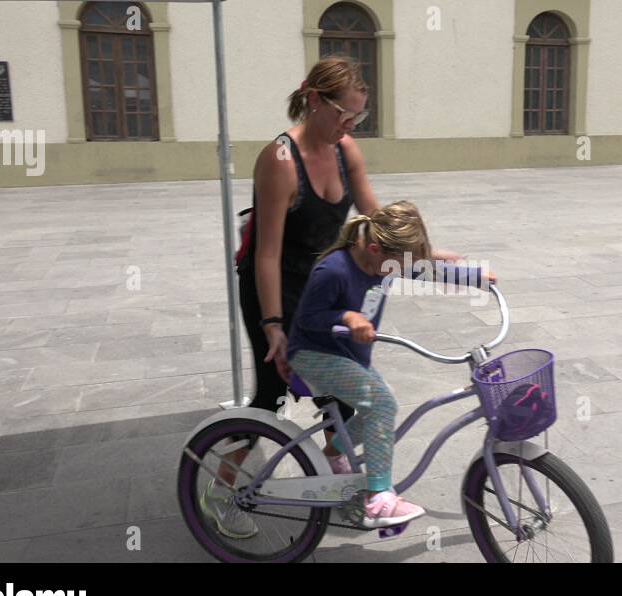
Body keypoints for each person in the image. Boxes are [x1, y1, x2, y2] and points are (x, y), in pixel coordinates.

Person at [200, 57, 470, 539]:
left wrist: (427, 255)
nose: (351, 125)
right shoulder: (279, 161)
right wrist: (274, 326)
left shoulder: (346, 150)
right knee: (271, 392)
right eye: (346, 114)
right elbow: (266, 254)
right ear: (315, 101)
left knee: (343, 396)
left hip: (326, 282)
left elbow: (373, 216)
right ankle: (222, 492)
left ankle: (342, 487)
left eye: (358, 117)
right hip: (274, 284)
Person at [287, 201, 487, 528]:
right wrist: (347, 316)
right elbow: (307, 318)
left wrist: (475, 276)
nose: (399, 272)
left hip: (348, 355)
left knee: (378, 405)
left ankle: (333, 457)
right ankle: (379, 498)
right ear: (376, 248)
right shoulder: (334, 270)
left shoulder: (384, 262)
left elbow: (425, 268)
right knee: (381, 404)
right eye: (397, 266)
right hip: (313, 355)